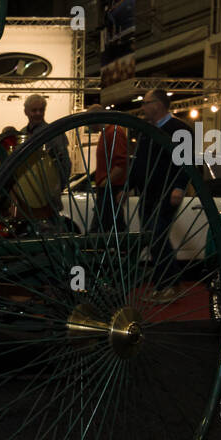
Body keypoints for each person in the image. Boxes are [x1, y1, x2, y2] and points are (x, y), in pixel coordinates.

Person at [133, 90, 189, 299]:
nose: (143, 107)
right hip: (147, 193)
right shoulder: (148, 130)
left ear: (158, 104)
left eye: (146, 103)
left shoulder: (179, 129)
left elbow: (185, 161)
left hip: (165, 192)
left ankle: (170, 284)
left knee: (157, 237)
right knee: (153, 238)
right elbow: (139, 160)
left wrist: (179, 187)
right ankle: (163, 284)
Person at [88, 103, 128, 233]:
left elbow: (121, 163)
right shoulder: (107, 133)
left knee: (100, 229)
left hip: (111, 188)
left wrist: (106, 182)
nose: (87, 125)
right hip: (109, 187)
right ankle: (124, 251)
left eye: (88, 121)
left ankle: (124, 250)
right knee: (113, 227)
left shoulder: (114, 132)